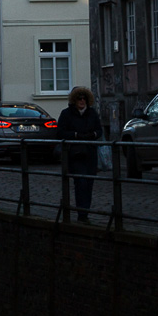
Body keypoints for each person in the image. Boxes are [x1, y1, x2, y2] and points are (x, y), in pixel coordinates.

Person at [55, 86, 103, 222]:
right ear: (74, 100)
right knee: (80, 182)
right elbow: (60, 132)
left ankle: (85, 212)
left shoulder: (92, 113)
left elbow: (99, 130)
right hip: (75, 154)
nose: (82, 101)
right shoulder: (66, 114)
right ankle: (82, 214)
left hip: (90, 153)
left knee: (89, 184)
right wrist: (75, 135)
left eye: (84, 98)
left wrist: (92, 134)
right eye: (79, 98)